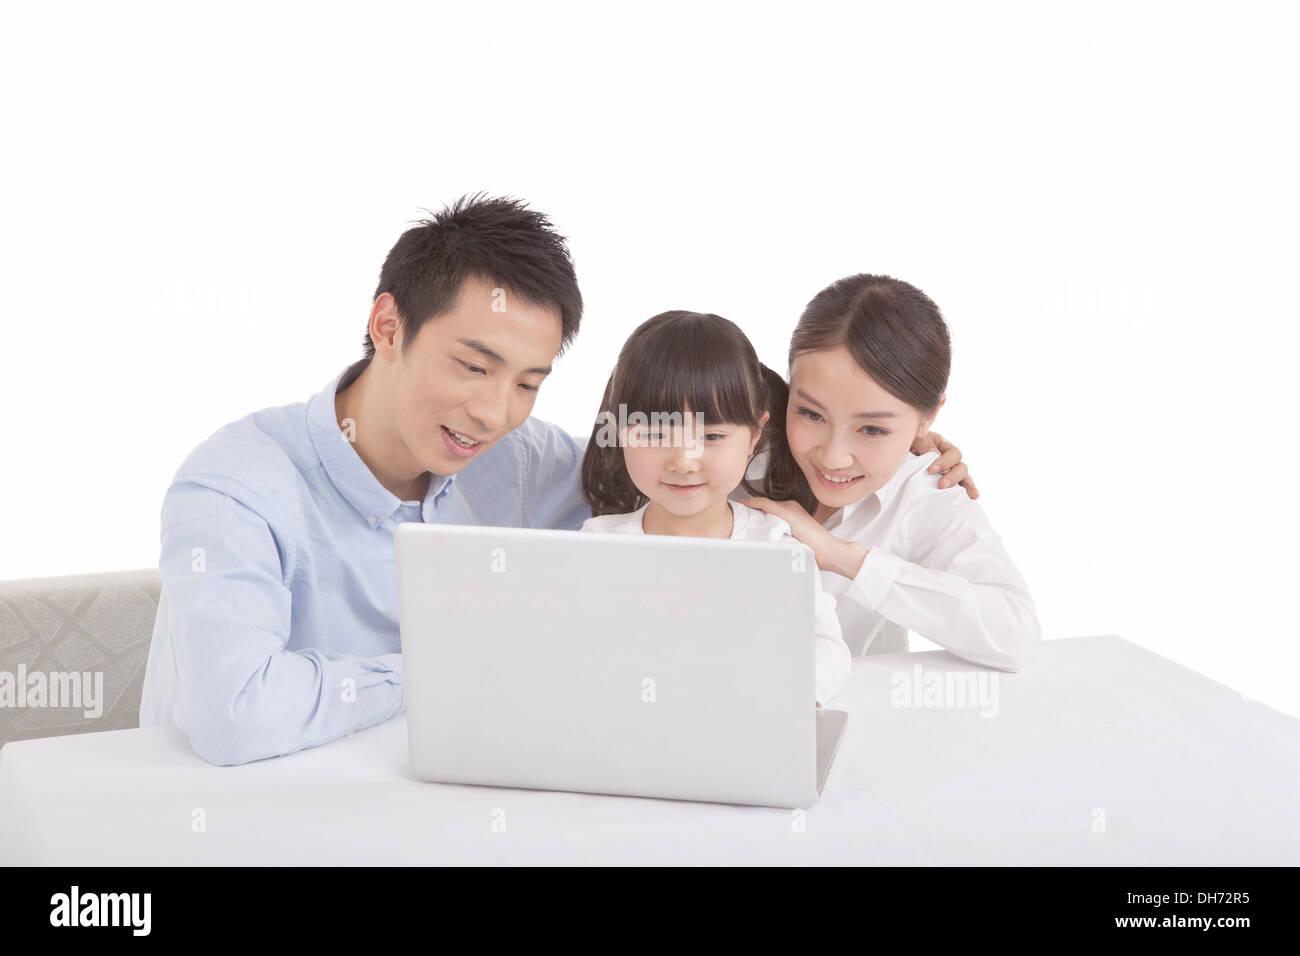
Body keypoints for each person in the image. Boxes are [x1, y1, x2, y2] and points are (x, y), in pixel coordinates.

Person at [139, 195, 976, 765]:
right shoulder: (236, 482)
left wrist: (892, 446)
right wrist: (451, 662)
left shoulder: (521, 463)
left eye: (530, 383)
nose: (495, 412)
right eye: (475, 365)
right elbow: (234, 711)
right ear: (386, 324)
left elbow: (686, 467)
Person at [739, 274, 1040, 670]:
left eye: (873, 429)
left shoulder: (923, 490)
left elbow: (1015, 637)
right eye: (811, 413)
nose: (834, 457)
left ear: (927, 419)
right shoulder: (729, 444)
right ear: (791, 386)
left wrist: (846, 559)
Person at [579, 311, 851, 706]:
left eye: (712, 436)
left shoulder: (775, 544)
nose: (684, 461)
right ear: (620, 431)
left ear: (754, 435)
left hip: (748, 726)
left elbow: (825, 644)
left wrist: (793, 700)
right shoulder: (598, 544)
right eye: (654, 434)